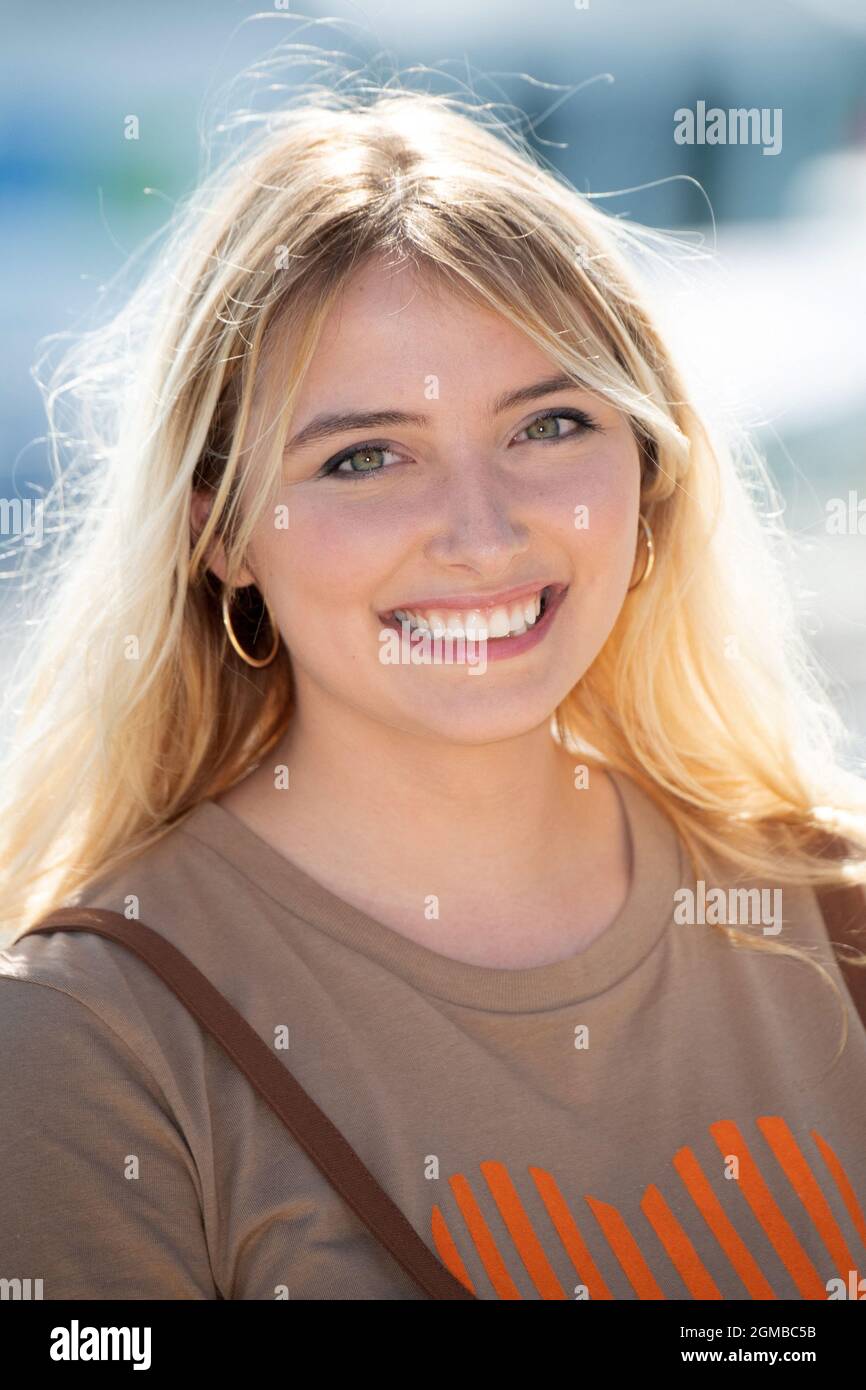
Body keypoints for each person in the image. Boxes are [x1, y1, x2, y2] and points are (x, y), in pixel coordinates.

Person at [0, 77, 865, 1302]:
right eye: (364, 456)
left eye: (549, 425)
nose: (479, 532)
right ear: (222, 534)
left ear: (650, 465)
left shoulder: (838, 920)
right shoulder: (87, 1041)